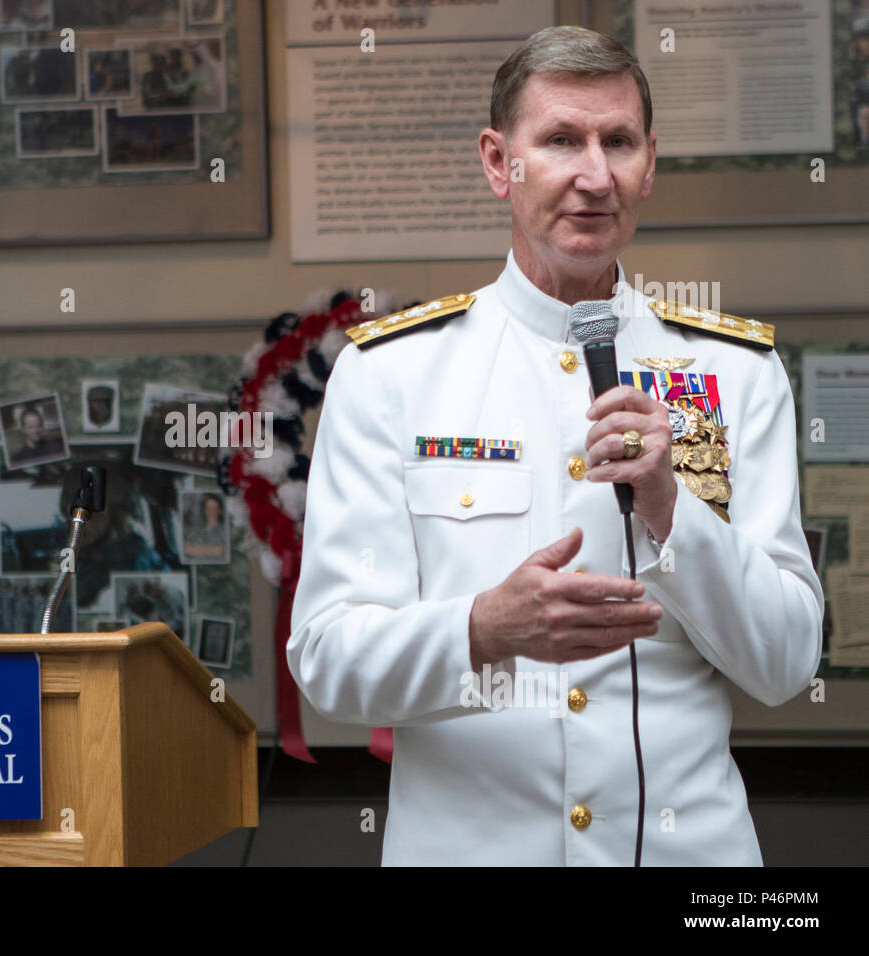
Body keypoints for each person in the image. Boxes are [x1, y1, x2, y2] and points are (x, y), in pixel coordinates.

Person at [288, 26, 823, 866]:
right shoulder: (393, 374)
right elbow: (326, 661)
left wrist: (672, 508)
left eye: (619, 142)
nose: (594, 175)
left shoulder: (733, 372)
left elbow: (789, 660)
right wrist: (484, 628)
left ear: (650, 164)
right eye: (562, 140)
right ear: (501, 163)